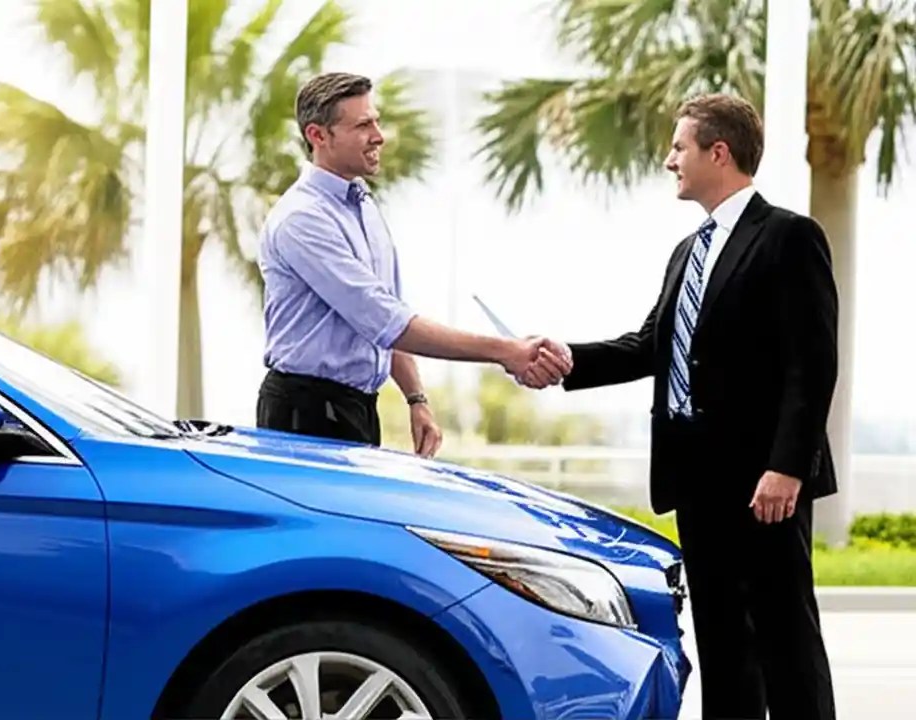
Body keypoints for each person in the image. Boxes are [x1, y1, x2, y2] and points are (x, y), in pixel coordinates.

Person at [524, 93, 838, 720]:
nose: (670, 160)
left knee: (784, 638)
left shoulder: (788, 237)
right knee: (722, 641)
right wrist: (565, 360)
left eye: (679, 147)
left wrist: (787, 467)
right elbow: (652, 346)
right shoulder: (687, 252)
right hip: (698, 481)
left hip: (764, 483)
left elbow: (813, 362)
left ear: (718, 153)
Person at [256, 71, 569, 455]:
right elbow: (384, 319)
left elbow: (386, 314)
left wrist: (416, 398)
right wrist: (505, 351)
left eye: (376, 120)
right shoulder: (302, 219)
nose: (379, 135)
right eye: (363, 125)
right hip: (305, 412)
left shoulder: (362, 205)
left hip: (354, 407)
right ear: (318, 136)